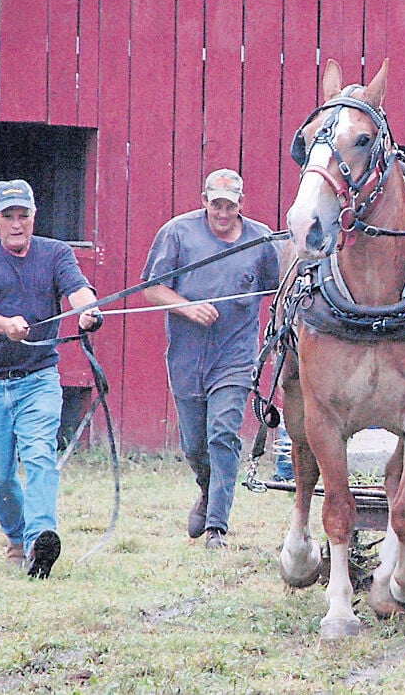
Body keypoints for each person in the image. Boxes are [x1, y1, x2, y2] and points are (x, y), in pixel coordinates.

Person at [0, 179, 101, 578]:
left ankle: (40, 540)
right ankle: (17, 537)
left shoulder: (55, 253)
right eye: (8, 216)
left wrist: (88, 311)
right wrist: (4, 325)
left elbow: (78, 289)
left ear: (34, 216)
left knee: (40, 456)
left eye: (23, 215)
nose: (17, 223)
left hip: (38, 378)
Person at [141, 169, 281, 549]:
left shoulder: (261, 239)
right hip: (187, 354)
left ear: (241, 205)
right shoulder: (177, 233)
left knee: (222, 432)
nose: (222, 213)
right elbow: (152, 288)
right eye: (215, 204)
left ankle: (217, 526)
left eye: (229, 206)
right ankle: (206, 490)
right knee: (194, 444)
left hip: (234, 354)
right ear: (204, 201)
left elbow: (281, 284)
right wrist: (187, 308)